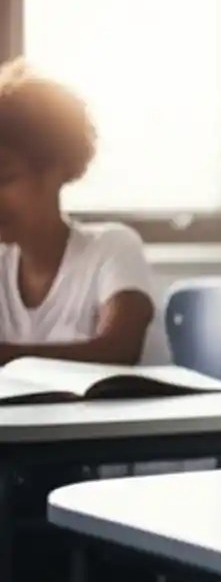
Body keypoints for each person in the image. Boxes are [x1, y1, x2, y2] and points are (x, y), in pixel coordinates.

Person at [0, 58, 153, 366]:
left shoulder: (112, 246)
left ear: (54, 172)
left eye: (5, 179)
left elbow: (119, 349)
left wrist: (11, 356)